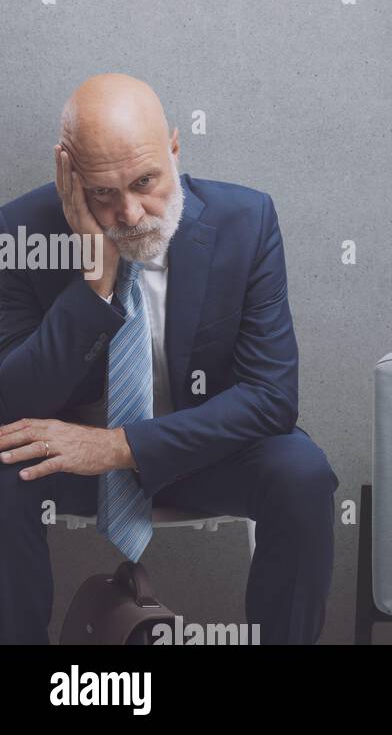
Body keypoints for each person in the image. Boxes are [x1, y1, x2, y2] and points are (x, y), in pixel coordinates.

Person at [0, 73, 337, 644]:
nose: (131, 213)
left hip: (199, 456)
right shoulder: (21, 232)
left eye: (146, 181)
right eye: (103, 192)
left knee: (302, 474)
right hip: (73, 466)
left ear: (175, 150)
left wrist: (118, 446)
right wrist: (93, 285)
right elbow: (13, 400)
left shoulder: (246, 221)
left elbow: (272, 399)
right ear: (70, 175)